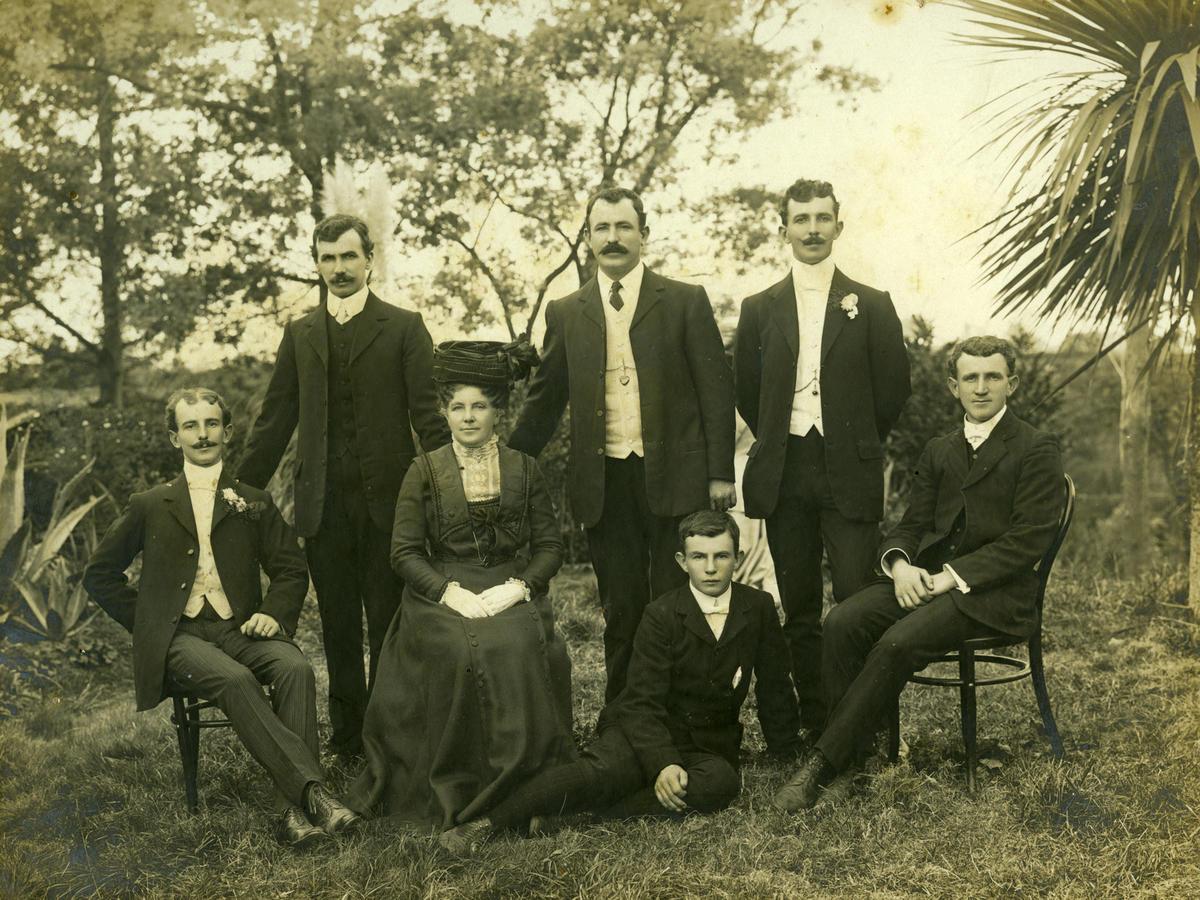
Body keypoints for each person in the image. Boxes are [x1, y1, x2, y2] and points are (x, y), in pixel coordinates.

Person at [774, 336, 1065, 811]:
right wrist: (901, 565)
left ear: (1011, 383)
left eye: (993, 377)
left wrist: (951, 576)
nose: (982, 387)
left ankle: (824, 766)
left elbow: (1027, 540)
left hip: (992, 595)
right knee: (842, 621)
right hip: (930, 582)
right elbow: (913, 524)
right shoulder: (940, 449)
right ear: (953, 386)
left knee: (897, 642)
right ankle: (862, 755)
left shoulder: (1036, 447)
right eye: (970, 377)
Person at [83, 388, 360, 848]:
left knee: (295, 668)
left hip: (239, 628)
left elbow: (291, 570)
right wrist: (150, 623)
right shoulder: (150, 504)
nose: (202, 434)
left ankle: (288, 812)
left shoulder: (252, 501)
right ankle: (314, 795)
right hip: (181, 638)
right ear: (175, 438)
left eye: (211, 424)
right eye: (190, 426)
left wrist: (273, 614)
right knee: (235, 680)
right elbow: (99, 574)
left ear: (228, 433)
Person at [439, 509, 801, 853]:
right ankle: (485, 823)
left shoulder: (758, 607)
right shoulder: (661, 614)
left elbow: (775, 683)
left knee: (720, 785)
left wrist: (784, 746)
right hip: (646, 728)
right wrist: (662, 763)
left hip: (707, 743)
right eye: (699, 557)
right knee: (602, 772)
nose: (710, 569)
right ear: (681, 561)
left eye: (721, 556)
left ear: (737, 558)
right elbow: (642, 702)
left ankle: (583, 819)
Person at [509, 185, 736, 703]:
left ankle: (686, 716)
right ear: (588, 238)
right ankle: (626, 718)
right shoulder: (567, 311)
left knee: (678, 600)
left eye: (623, 227)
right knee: (622, 606)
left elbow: (717, 393)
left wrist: (719, 472)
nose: (613, 239)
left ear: (644, 234)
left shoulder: (683, 300)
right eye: (601, 229)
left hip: (677, 479)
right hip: (604, 482)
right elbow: (545, 400)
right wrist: (506, 464)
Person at [238, 214, 450, 757]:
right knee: (336, 625)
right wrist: (240, 489)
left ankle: (389, 736)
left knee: (386, 621)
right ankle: (348, 739)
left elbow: (428, 417)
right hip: (323, 507)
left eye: (348, 257)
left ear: (369, 260)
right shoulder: (301, 332)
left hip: (388, 506)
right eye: (327, 258)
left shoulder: (404, 326)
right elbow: (276, 418)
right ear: (317, 265)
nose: (338, 268)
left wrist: (455, 484)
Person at [346, 341, 575, 830]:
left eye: (480, 406)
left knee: (518, 644)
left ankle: (527, 787)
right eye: (457, 407)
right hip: (441, 592)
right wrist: (448, 592)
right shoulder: (423, 470)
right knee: (457, 647)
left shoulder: (524, 468)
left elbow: (550, 547)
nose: (468, 417)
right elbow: (404, 553)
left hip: (508, 584)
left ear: (498, 411)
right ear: (444, 413)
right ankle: (464, 785)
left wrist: (521, 587)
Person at [734, 178, 911, 732]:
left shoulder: (873, 304)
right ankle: (817, 721)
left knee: (857, 604)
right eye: (801, 218)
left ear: (839, 224)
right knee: (801, 605)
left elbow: (893, 389)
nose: (812, 228)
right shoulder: (758, 307)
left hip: (849, 472)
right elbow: (747, 387)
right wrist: (784, 432)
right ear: (783, 229)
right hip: (786, 470)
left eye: (821, 218)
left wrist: (852, 436)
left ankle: (863, 724)